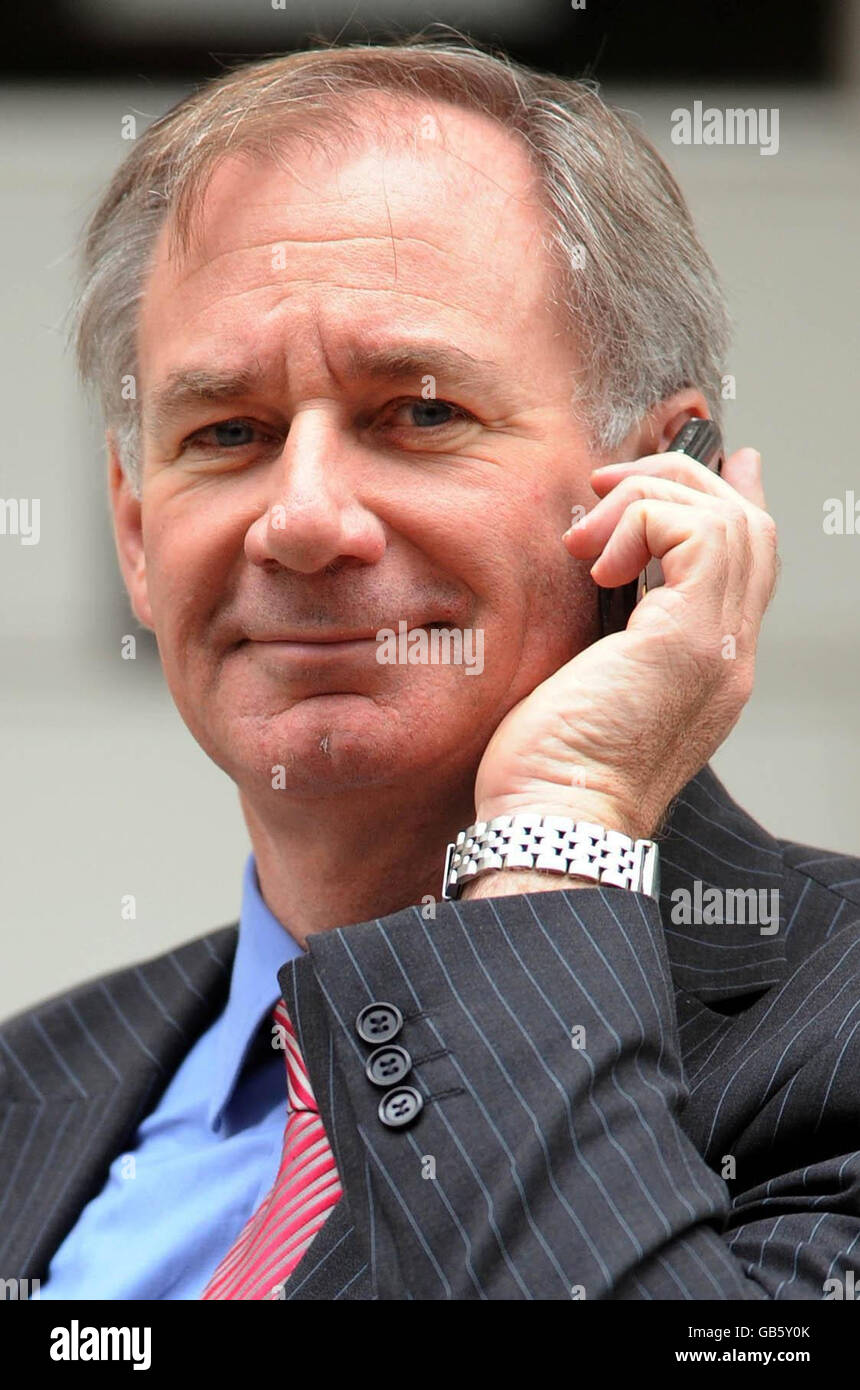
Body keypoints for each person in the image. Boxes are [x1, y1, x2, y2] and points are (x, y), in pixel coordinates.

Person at [3, 36, 859, 1302]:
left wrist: (561, 818)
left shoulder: (828, 1020)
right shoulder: (26, 1087)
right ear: (136, 531)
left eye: (417, 412)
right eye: (224, 432)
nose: (298, 519)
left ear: (662, 483)